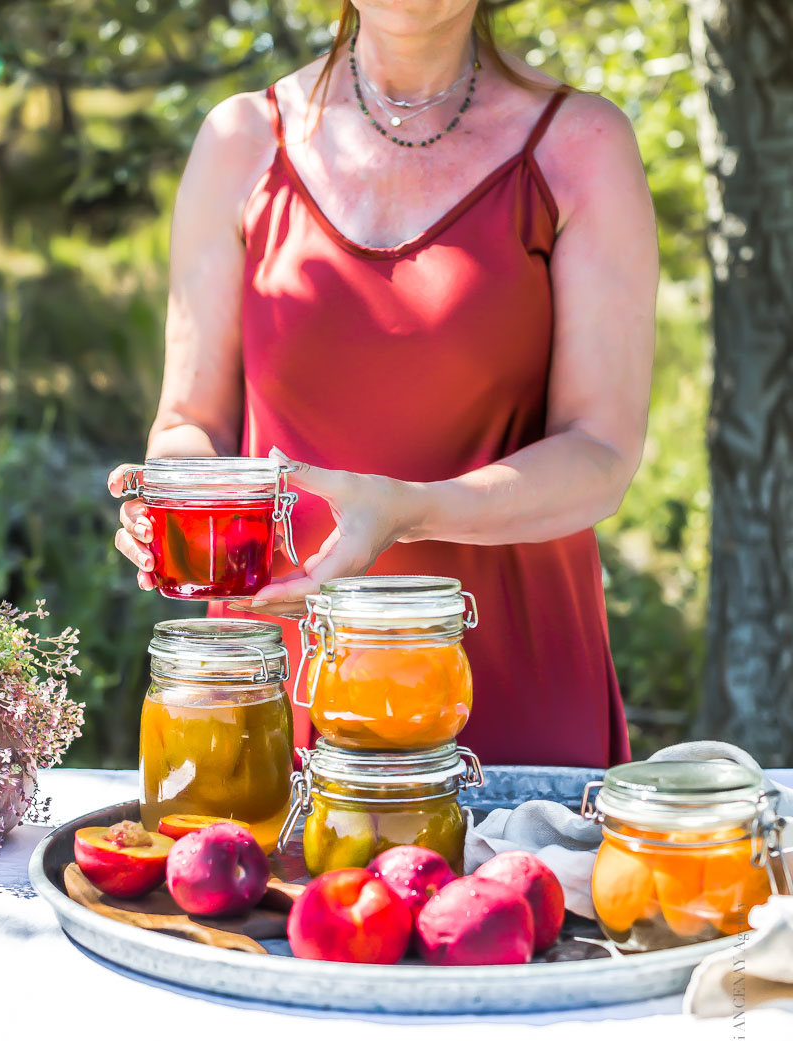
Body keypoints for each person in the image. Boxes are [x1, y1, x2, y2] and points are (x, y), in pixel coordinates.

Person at [108, 0, 658, 766]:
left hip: (506, 667)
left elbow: (600, 454)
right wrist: (180, 508)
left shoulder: (582, 143)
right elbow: (189, 419)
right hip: (275, 675)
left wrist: (414, 513)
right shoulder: (240, 141)